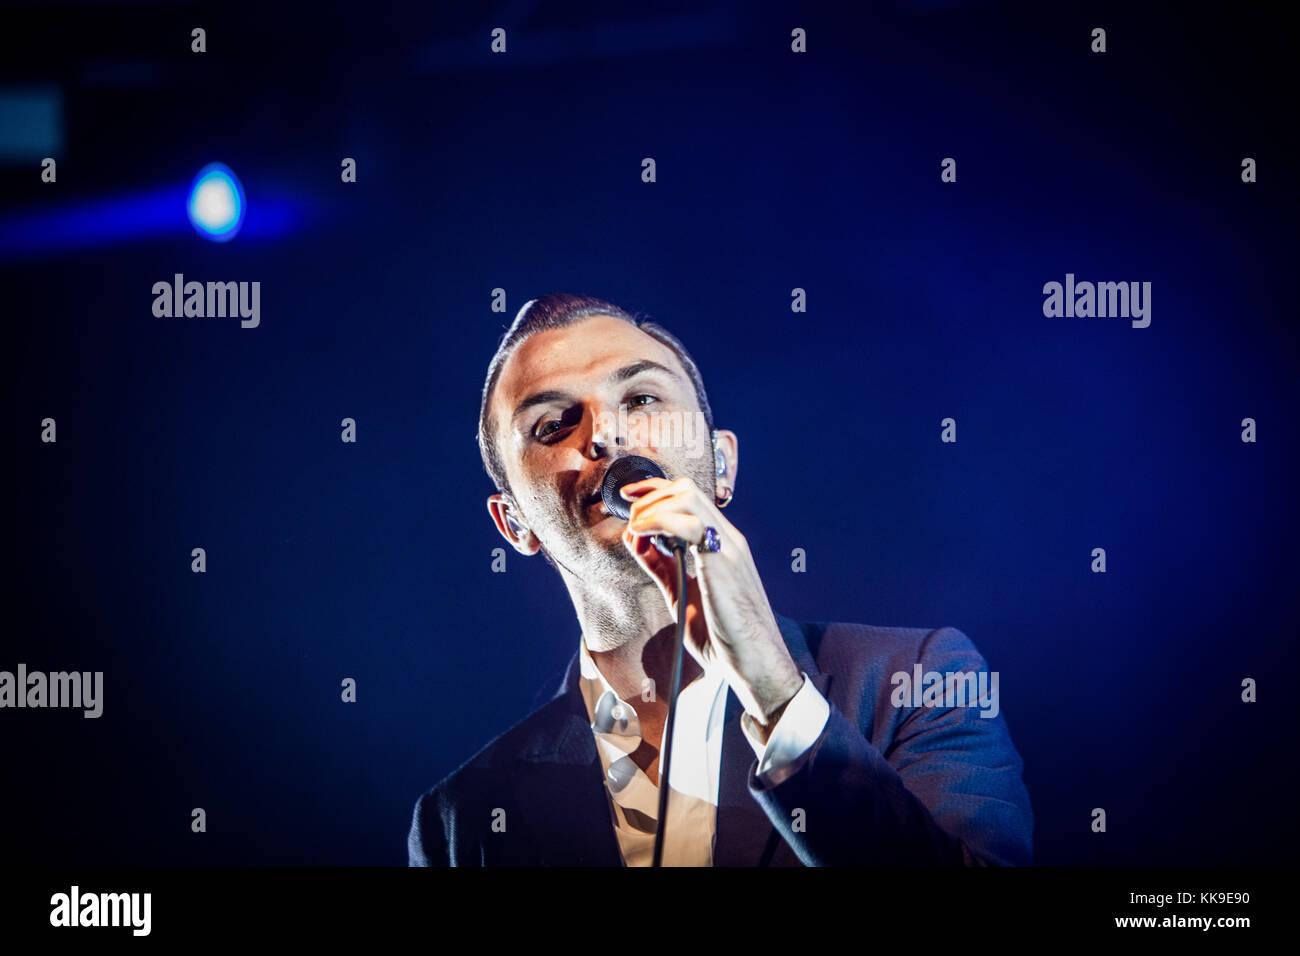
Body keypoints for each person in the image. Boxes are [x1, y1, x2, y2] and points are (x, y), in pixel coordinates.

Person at [407, 293, 1033, 866]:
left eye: (642, 400)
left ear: (722, 465)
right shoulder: (459, 819)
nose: (606, 433)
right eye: (552, 425)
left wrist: (772, 687)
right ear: (515, 524)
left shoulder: (918, 679)